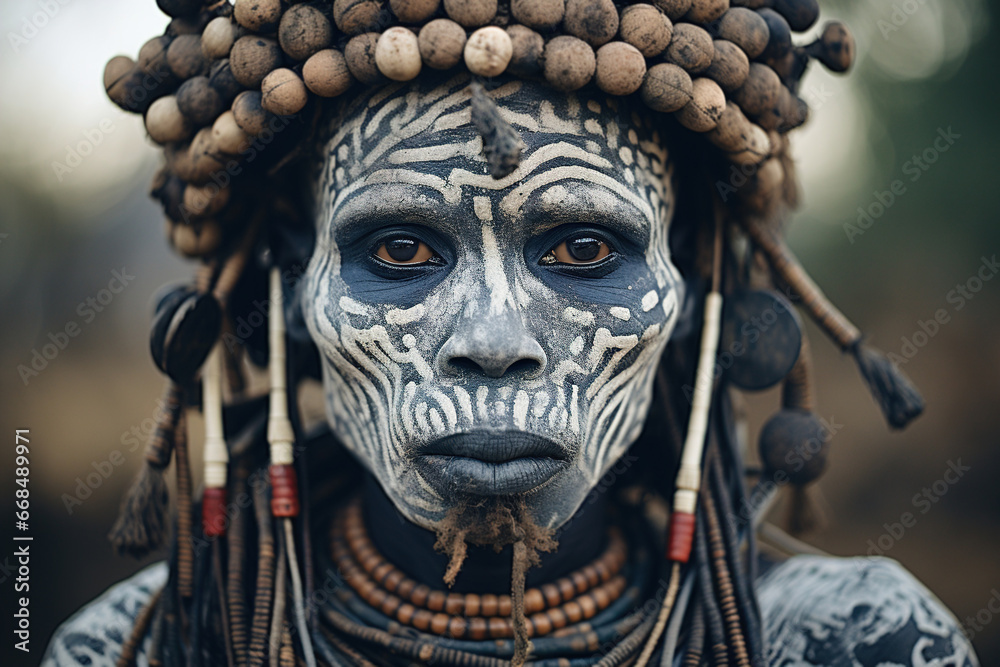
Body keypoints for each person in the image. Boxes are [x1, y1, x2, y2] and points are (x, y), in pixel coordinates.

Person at [45, 0, 978, 665]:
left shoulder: (860, 643)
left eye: (584, 248)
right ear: (293, 282)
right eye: (401, 248)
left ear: (690, 285)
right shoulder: (132, 650)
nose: (493, 340)